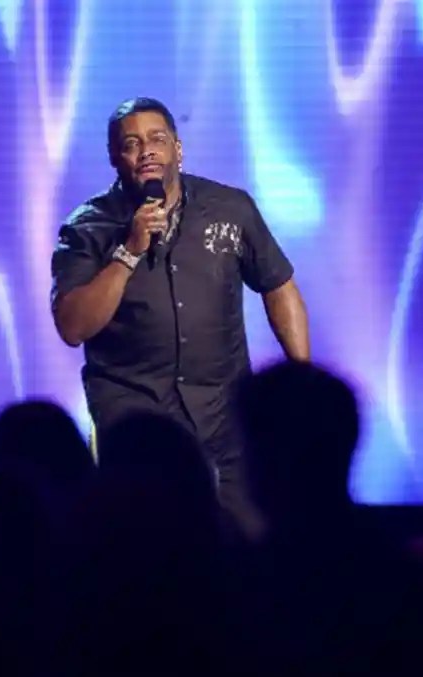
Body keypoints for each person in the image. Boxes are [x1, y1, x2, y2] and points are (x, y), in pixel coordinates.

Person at [51, 96, 310, 529]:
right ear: (116, 158)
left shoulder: (230, 209)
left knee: (248, 539)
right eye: (132, 143)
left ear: (178, 149)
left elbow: (278, 285)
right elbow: (73, 327)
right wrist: (128, 252)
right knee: (153, 545)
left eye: (157, 139)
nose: (147, 150)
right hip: (136, 418)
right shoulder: (87, 228)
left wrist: (303, 378)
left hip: (224, 412)